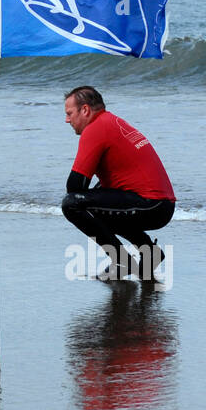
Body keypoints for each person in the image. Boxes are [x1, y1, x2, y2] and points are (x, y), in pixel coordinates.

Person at [61, 86, 175, 282]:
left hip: (152, 205)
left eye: (70, 113)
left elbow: (74, 186)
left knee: (72, 204)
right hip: (160, 204)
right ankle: (149, 253)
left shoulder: (96, 128)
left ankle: (121, 261)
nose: (67, 120)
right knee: (96, 201)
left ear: (85, 110)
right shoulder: (111, 121)